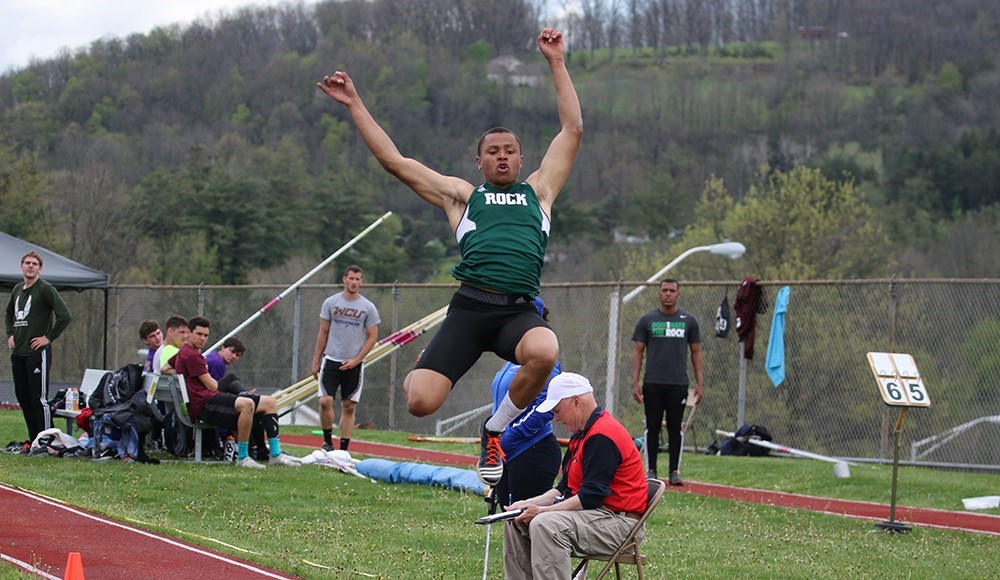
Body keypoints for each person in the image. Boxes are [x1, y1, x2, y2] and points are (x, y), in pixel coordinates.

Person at [317, 27, 583, 485]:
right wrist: (355, 104)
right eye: (492, 153)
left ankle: (495, 430)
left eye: (510, 152)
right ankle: (431, 359)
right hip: (469, 309)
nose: (502, 158)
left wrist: (556, 62)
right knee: (420, 402)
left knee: (546, 349)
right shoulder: (461, 196)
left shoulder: (539, 192)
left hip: (517, 311)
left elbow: (572, 129)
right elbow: (396, 162)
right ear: (479, 162)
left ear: (521, 160)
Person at [503, 372, 648, 579]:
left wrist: (543, 511)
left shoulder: (602, 435)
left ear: (576, 402)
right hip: (598, 515)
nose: (555, 417)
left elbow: (590, 497)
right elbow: (564, 489)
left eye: (557, 410)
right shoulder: (582, 434)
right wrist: (526, 504)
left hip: (621, 524)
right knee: (515, 520)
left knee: (545, 524)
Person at [170, 316, 299, 468]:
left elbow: (166, 367)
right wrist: (198, 373)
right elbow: (212, 386)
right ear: (189, 334)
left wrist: (186, 373)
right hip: (204, 405)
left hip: (208, 399)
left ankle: (275, 455)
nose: (202, 338)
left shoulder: (186, 352)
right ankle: (243, 457)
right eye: (199, 334)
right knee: (247, 404)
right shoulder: (192, 355)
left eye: (205, 335)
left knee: (270, 402)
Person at [631, 278, 703, 485]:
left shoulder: (689, 321)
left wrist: (700, 383)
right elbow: (638, 351)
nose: (668, 294)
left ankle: (674, 472)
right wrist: (635, 382)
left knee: (675, 428)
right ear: (659, 293)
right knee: (652, 427)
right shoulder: (647, 320)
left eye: (672, 290)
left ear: (678, 293)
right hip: (652, 382)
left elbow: (696, 352)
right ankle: (651, 470)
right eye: (665, 290)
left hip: (678, 384)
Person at [490, 298, 562, 505]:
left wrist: (507, 440)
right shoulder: (512, 359)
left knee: (525, 522)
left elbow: (544, 409)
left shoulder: (547, 362)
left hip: (532, 451)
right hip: (505, 451)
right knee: (508, 519)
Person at [5, 251, 72, 446]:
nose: (30, 266)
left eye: (34, 264)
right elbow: (9, 313)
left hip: (37, 353)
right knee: (23, 398)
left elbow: (65, 315)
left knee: (38, 399)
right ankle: (34, 439)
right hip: (19, 353)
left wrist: (48, 337)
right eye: (27, 263)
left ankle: (48, 441)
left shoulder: (45, 289)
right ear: (21, 266)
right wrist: (10, 334)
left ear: (40, 268)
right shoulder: (18, 289)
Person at [310, 265, 380, 452]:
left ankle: (343, 449)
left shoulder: (368, 307)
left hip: (353, 364)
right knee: (325, 401)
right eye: (351, 278)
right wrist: (316, 360)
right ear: (344, 279)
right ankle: (327, 442)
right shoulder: (330, 303)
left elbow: (372, 337)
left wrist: (356, 360)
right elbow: (323, 331)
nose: (354, 282)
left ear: (362, 282)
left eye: (358, 279)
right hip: (331, 359)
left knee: (349, 406)